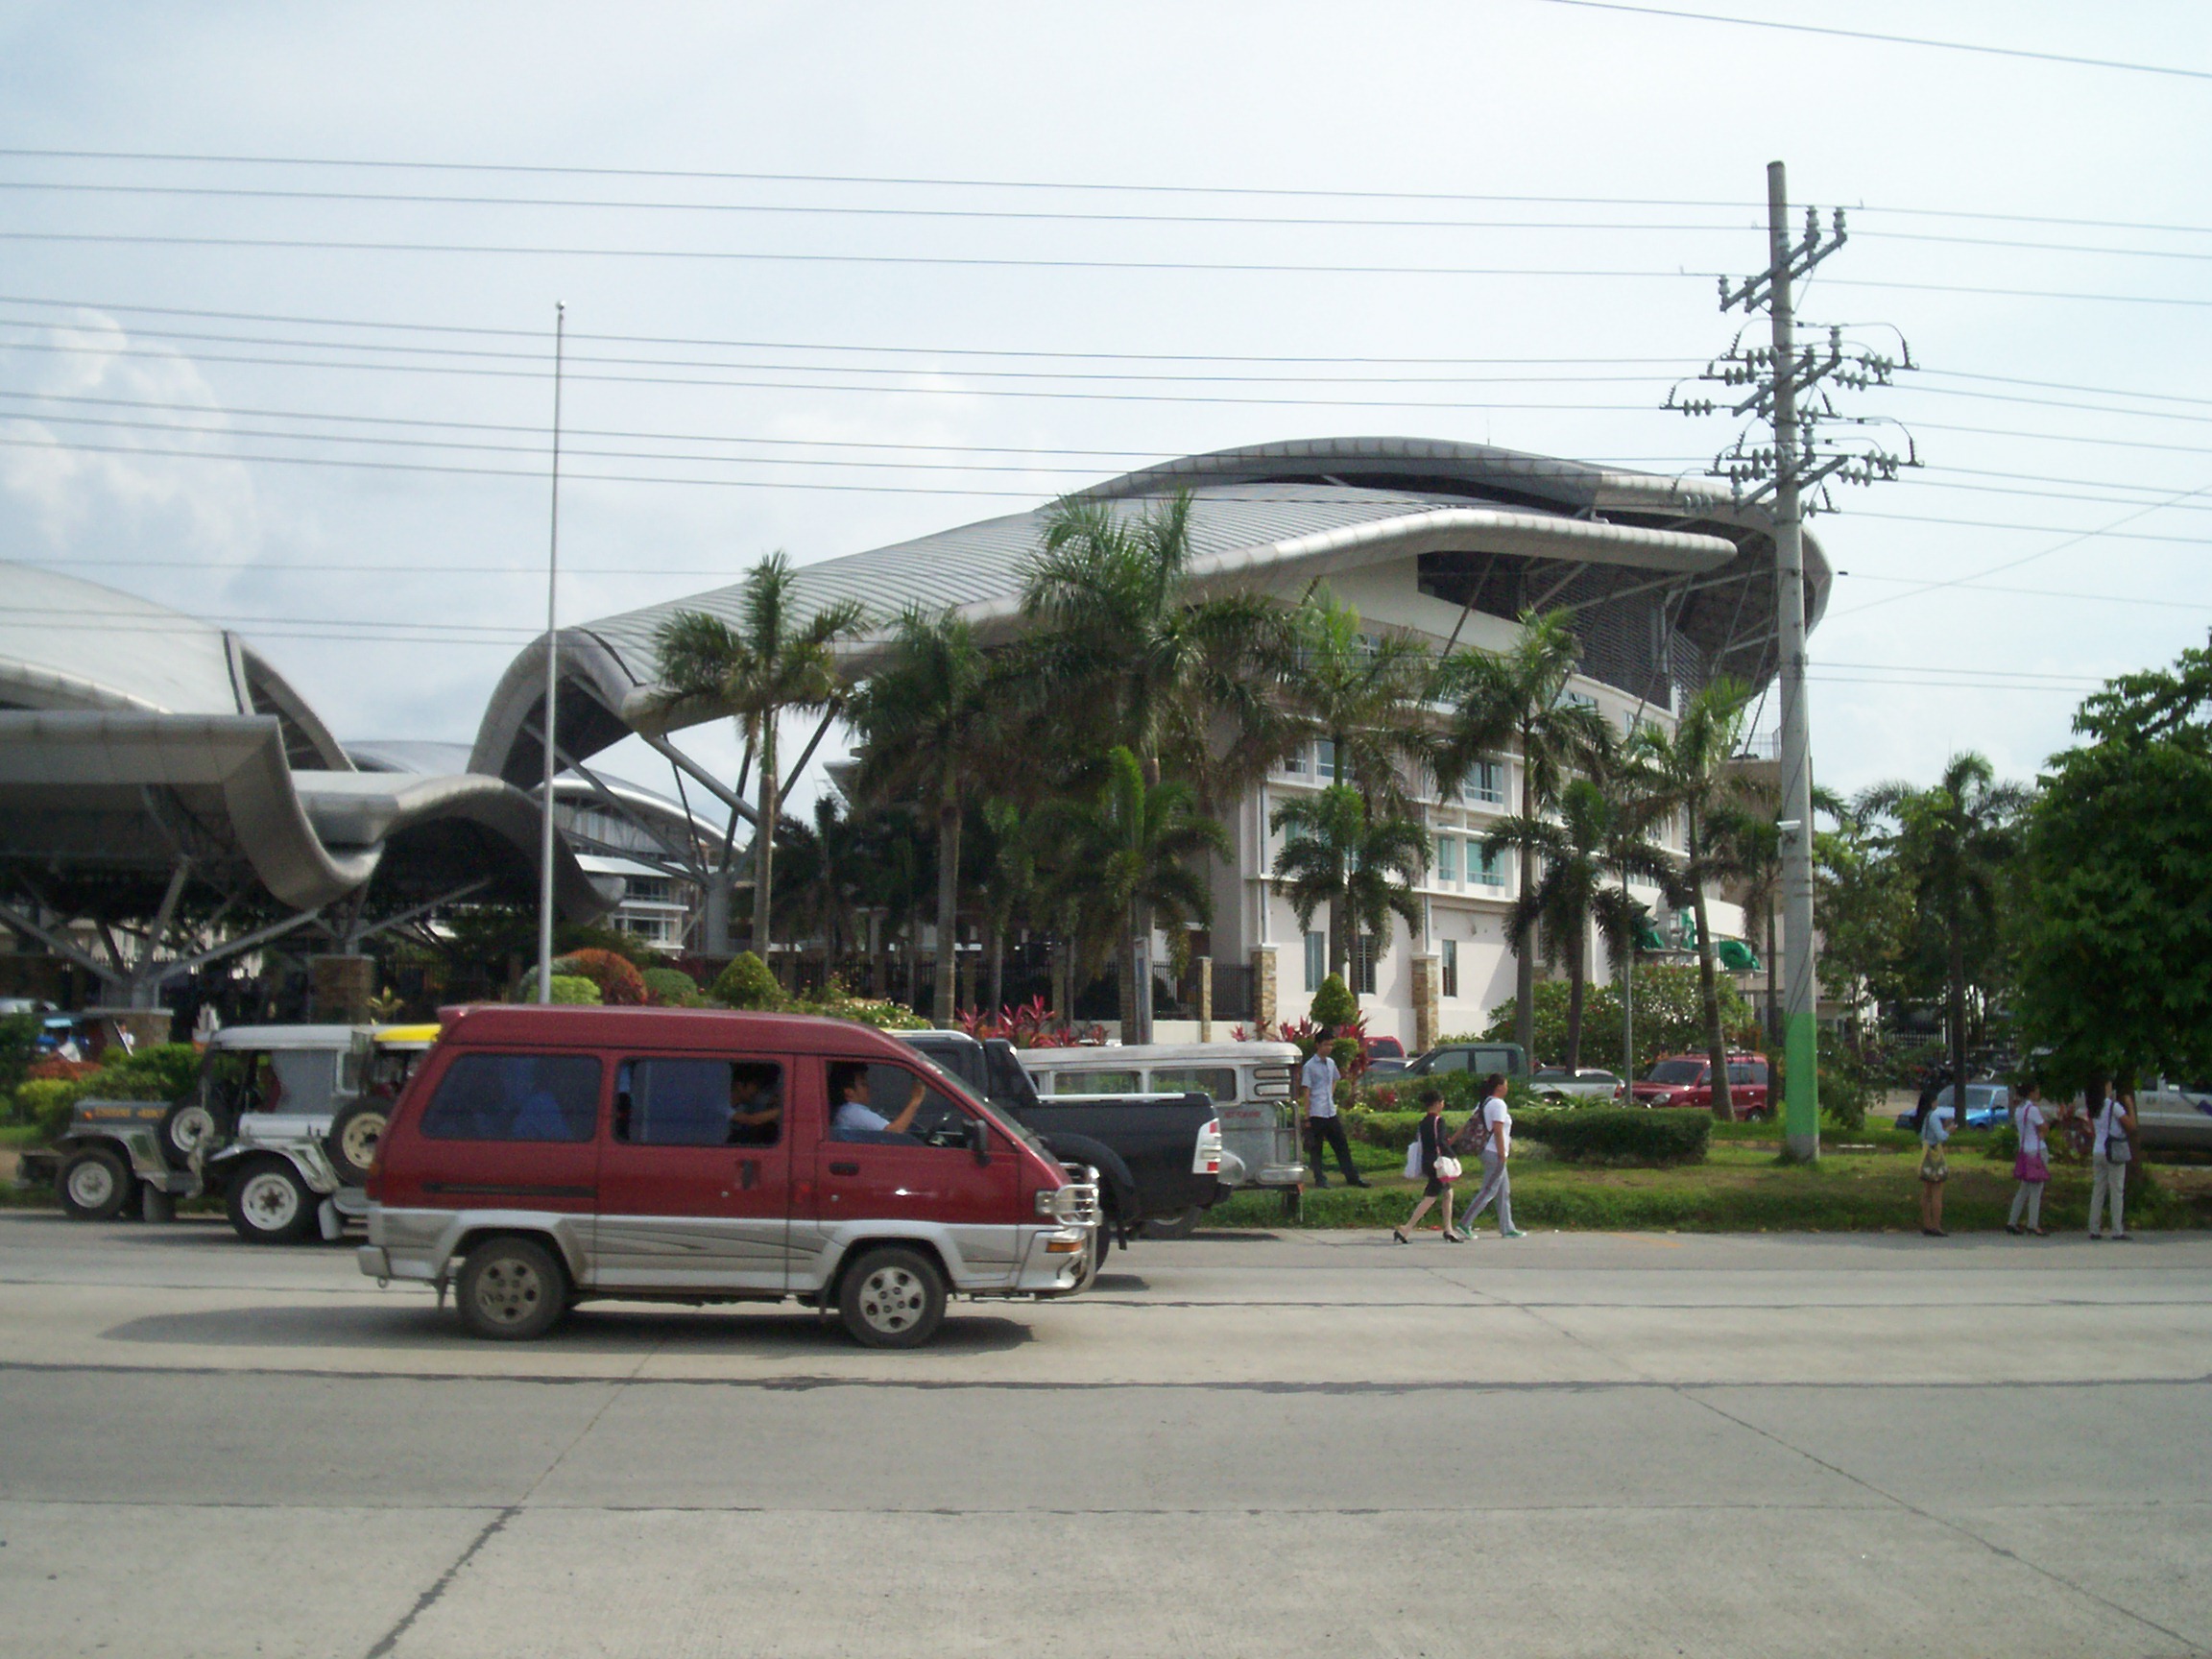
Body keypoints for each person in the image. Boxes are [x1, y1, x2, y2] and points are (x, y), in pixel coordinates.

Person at [1456, 1072, 1526, 1238]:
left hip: (1487, 1151)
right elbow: (1498, 1130)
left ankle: (1507, 1227)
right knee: (1488, 1190)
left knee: (1503, 1191)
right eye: (1506, 1085)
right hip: (1494, 1152)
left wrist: (1452, 1139)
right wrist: (1502, 1154)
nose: (1507, 1088)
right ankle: (1464, 1223)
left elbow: (1469, 1124)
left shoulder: (1484, 1103)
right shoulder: (1498, 1104)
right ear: (1500, 1087)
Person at [1393, 1088, 1464, 1242]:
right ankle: (1405, 1229)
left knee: (1447, 1193)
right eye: (1442, 1102)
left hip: (1428, 1161)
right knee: (1430, 1197)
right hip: (1438, 1164)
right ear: (1437, 1104)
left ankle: (1448, 1229)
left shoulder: (1423, 1122)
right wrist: (1453, 1156)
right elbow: (1441, 1142)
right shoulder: (1439, 1121)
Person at [1302, 1029, 1365, 1188]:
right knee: (1316, 1150)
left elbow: (1335, 1079)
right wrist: (1307, 1117)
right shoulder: (1309, 1066)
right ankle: (1320, 1179)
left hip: (1330, 1111)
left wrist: (1329, 1094)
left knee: (1342, 1146)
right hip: (1316, 1113)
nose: (1329, 1048)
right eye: (1326, 1045)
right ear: (1318, 1045)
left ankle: (1352, 1177)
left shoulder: (1331, 1063)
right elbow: (1306, 1091)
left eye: (1331, 1045)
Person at [2088, 1082, 2137, 1240]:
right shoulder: (2112, 1106)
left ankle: (2094, 1228)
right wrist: (2130, 1106)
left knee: (2098, 1190)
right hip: (2113, 1151)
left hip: (2098, 1150)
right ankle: (2117, 1229)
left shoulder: (2093, 1107)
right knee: (2116, 1190)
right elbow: (2131, 1126)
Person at [830, 1063, 926, 1140]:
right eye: (863, 1085)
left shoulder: (846, 1112)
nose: (868, 1088)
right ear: (849, 1092)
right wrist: (916, 1100)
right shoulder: (853, 1112)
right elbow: (893, 1133)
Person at [2006, 1080, 2051, 1237]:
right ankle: (2033, 1223)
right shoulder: (2032, 1109)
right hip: (2037, 1150)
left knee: (2024, 1188)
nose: (2038, 1094)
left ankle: (2012, 1220)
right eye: (2037, 1091)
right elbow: (2043, 1127)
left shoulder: (2019, 1109)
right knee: (2036, 1189)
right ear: (2031, 1093)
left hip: (2024, 1150)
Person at [1917, 1081, 1951, 1237]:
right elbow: (1941, 1137)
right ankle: (1936, 1225)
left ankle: (1927, 1223)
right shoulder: (1933, 1117)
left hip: (1925, 1156)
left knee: (1927, 1192)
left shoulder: (1922, 1118)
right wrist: (1949, 1130)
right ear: (1932, 1102)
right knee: (1937, 1192)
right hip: (1935, 1157)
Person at [726, 1065, 782, 1145]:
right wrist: (785, 1108)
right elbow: (751, 1120)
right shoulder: (721, 1106)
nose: (757, 1090)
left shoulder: (742, 1107)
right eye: (755, 1085)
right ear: (740, 1085)